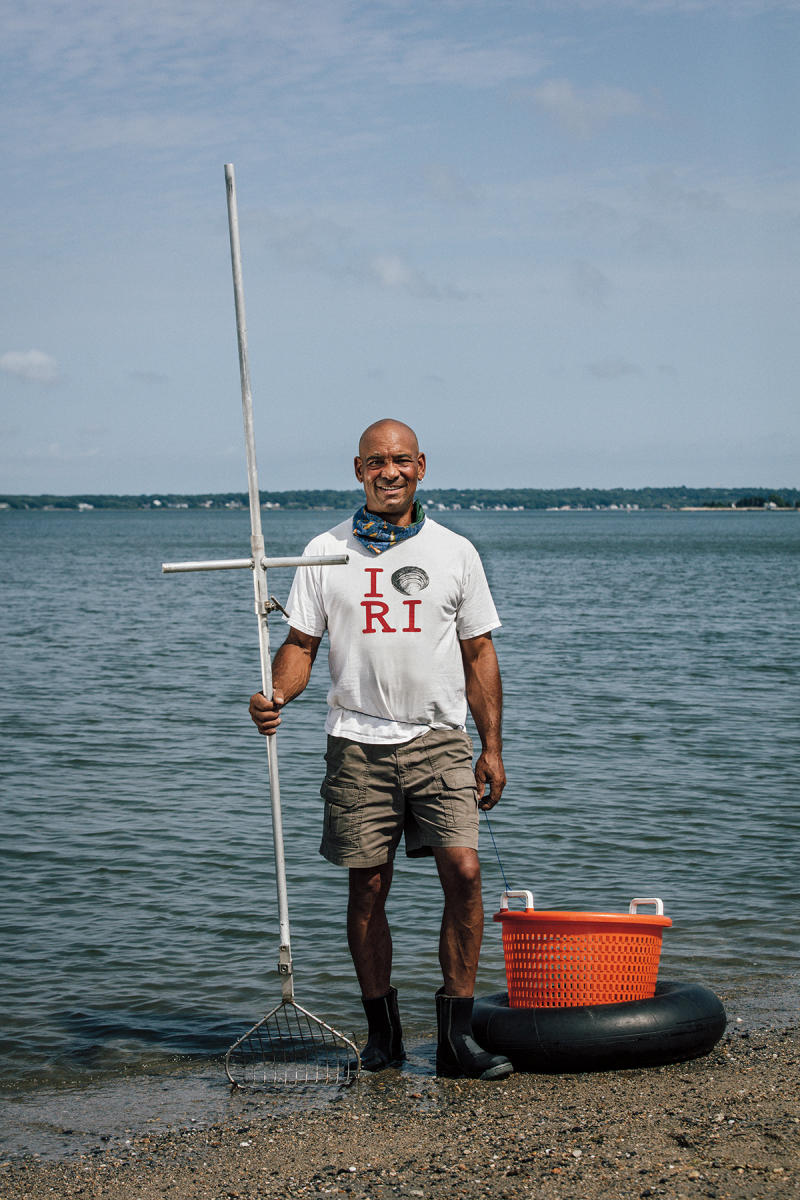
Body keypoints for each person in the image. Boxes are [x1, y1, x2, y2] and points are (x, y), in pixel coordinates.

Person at [249, 419, 512, 1080]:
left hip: (441, 740)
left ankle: (454, 1038)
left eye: (400, 460)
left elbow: (480, 652)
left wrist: (492, 748)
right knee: (367, 886)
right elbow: (301, 648)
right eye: (375, 462)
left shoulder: (456, 552)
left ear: (421, 465)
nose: (388, 472)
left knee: (466, 872)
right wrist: (275, 698)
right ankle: (384, 1037)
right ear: (358, 469)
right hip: (358, 745)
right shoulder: (324, 550)